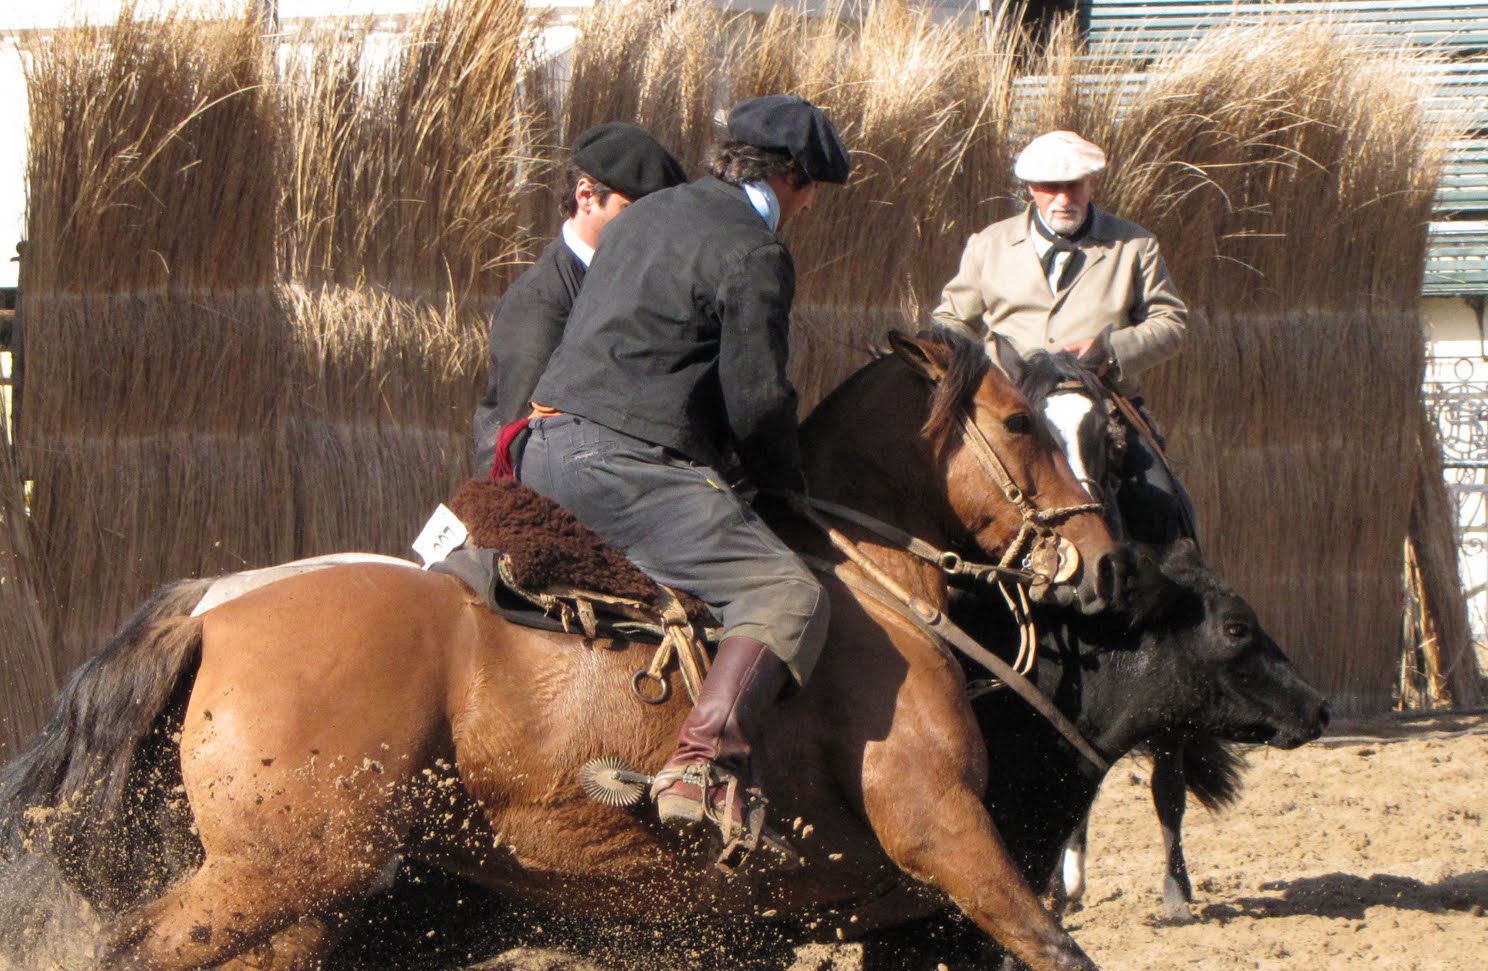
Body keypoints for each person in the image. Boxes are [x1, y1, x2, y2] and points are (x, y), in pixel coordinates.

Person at [519, 95, 849, 861]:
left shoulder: (643, 218)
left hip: (543, 448)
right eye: (809, 193)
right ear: (792, 177)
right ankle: (701, 768)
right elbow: (758, 397)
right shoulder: (754, 252)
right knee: (785, 592)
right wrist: (783, 489)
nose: (804, 210)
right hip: (624, 468)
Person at [930, 130, 1195, 540]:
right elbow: (952, 320)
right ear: (1030, 190)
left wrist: (1111, 350)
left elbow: (1171, 322)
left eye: (1073, 186)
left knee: (1161, 506)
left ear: (1092, 184)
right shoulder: (989, 245)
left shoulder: (1134, 245)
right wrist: (949, 364)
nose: (1063, 199)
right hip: (1010, 410)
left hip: (1102, 407)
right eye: (1050, 188)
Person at [472, 123, 686, 475]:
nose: (645, 230)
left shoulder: (632, 282)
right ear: (586, 195)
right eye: (630, 211)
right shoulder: (541, 301)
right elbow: (520, 434)